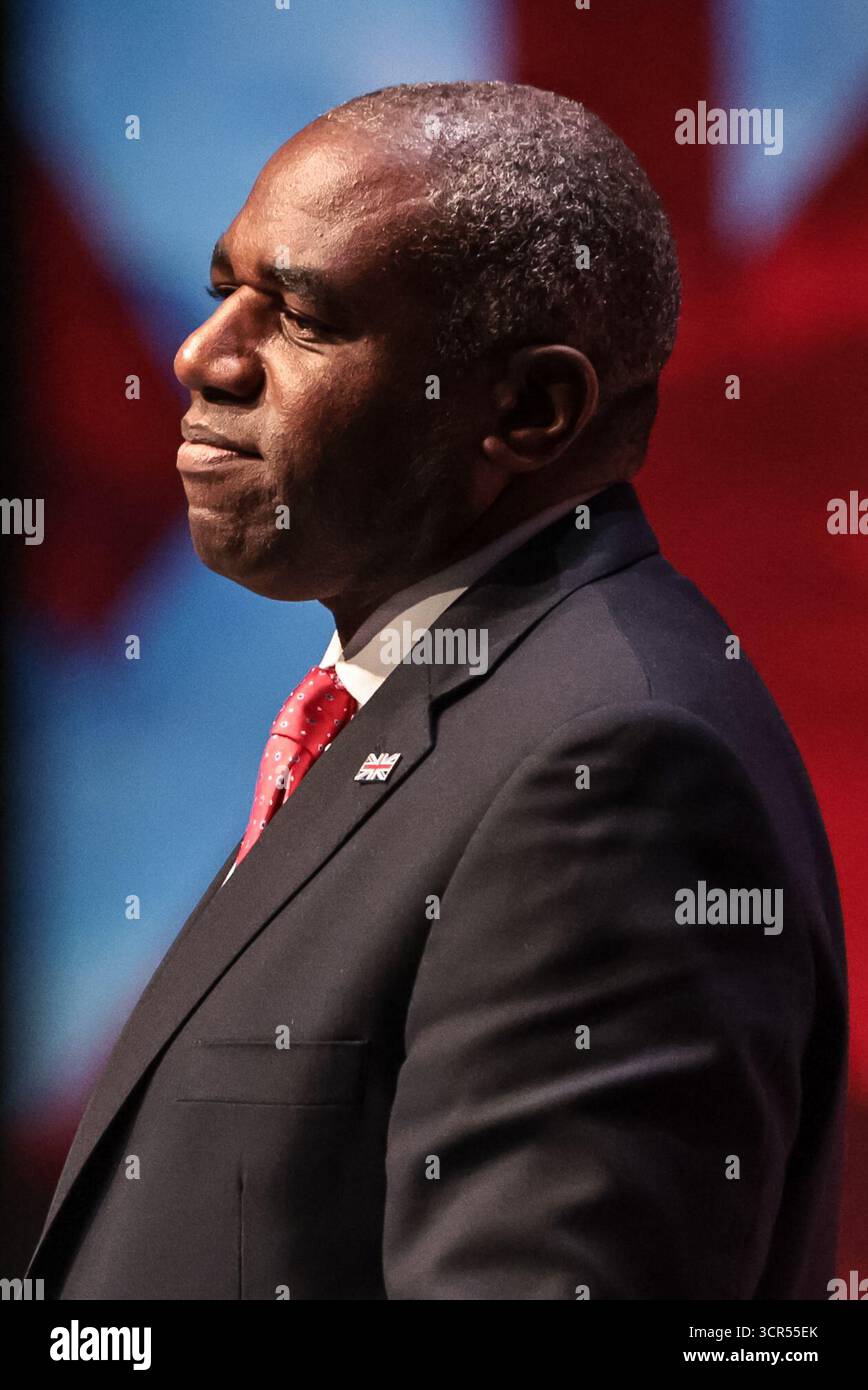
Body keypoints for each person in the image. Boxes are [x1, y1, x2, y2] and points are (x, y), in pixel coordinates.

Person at [28, 81, 847, 1300]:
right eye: (221, 294)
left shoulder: (611, 774)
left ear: (527, 409)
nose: (200, 357)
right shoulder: (410, 712)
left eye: (301, 314)